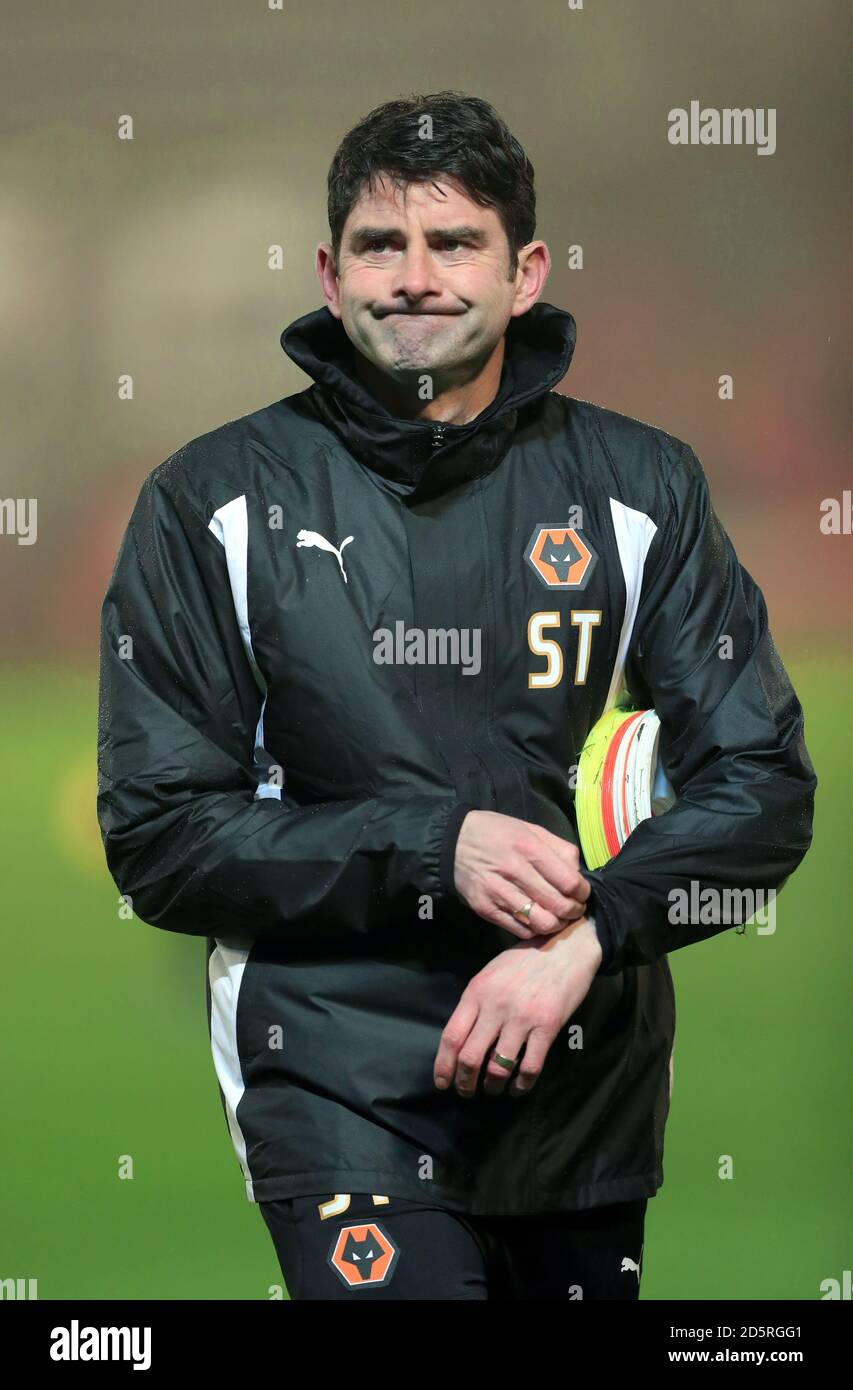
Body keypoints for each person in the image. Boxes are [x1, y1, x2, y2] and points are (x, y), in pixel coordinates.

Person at [96, 91, 816, 1300]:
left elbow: (764, 788)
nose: (415, 277)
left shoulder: (639, 486)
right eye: (381, 244)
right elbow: (160, 836)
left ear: (525, 271)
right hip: (340, 1081)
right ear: (329, 274)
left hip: (585, 1080)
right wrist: (436, 847)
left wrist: (588, 937)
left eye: (455, 242)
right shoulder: (211, 502)